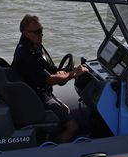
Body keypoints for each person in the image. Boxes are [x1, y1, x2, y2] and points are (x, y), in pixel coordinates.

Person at [11, 14, 88, 143]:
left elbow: (50, 69)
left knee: (65, 110)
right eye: (37, 32)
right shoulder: (26, 54)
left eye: (41, 30)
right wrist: (73, 74)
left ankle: (50, 137)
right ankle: (55, 149)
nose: (41, 34)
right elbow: (49, 79)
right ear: (25, 33)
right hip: (37, 95)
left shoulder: (36, 46)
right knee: (72, 126)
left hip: (41, 91)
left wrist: (66, 72)